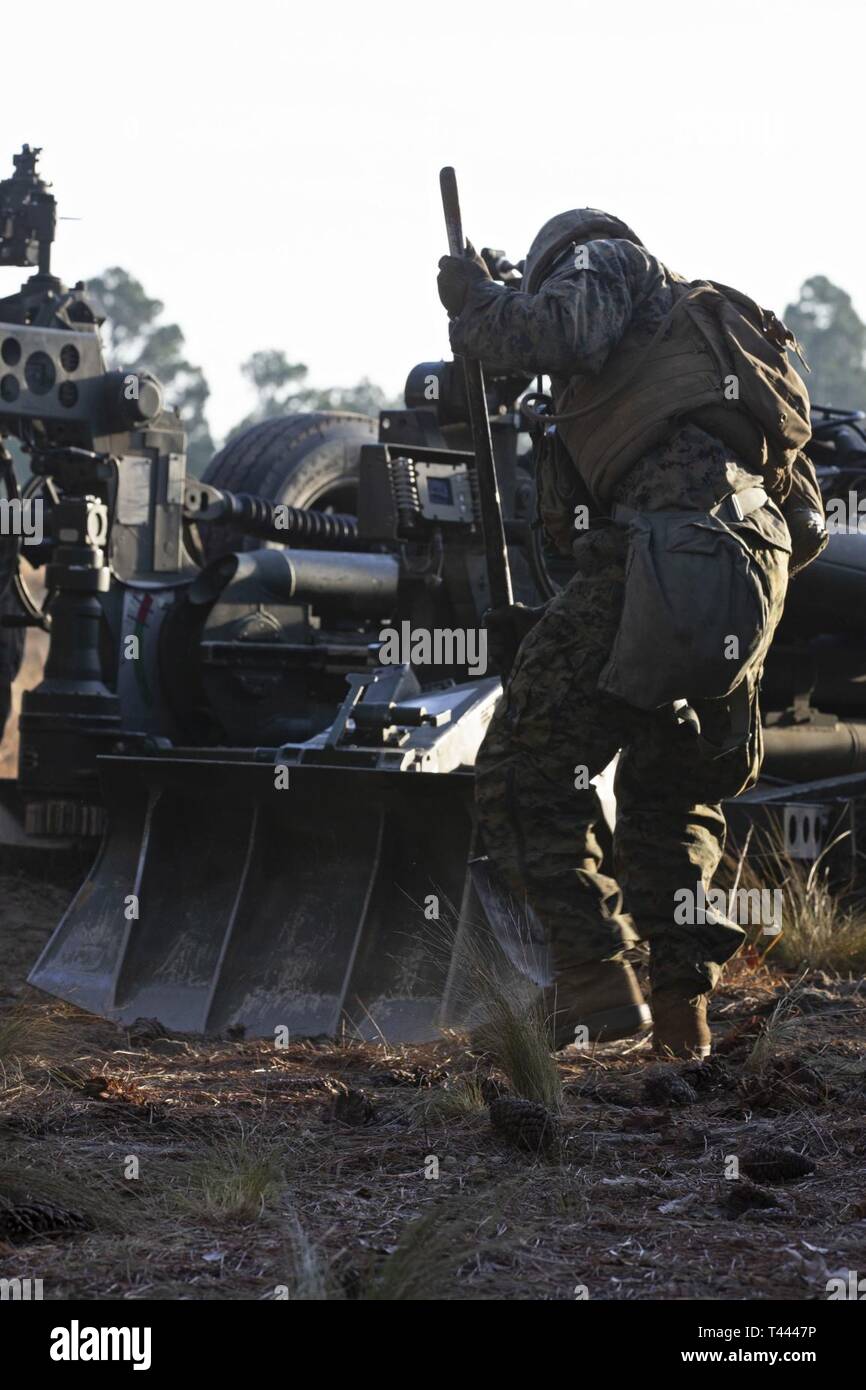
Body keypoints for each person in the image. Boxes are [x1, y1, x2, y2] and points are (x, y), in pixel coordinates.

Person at [437, 210, 827, 1058]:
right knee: (673, 799)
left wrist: (476, 305)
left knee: (520, 766)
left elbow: (548, 328)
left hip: (664, 556)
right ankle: (684, 1027)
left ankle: (592, 981)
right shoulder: (695, 355)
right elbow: (807, 520)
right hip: (741, 574)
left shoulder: (608, 260)